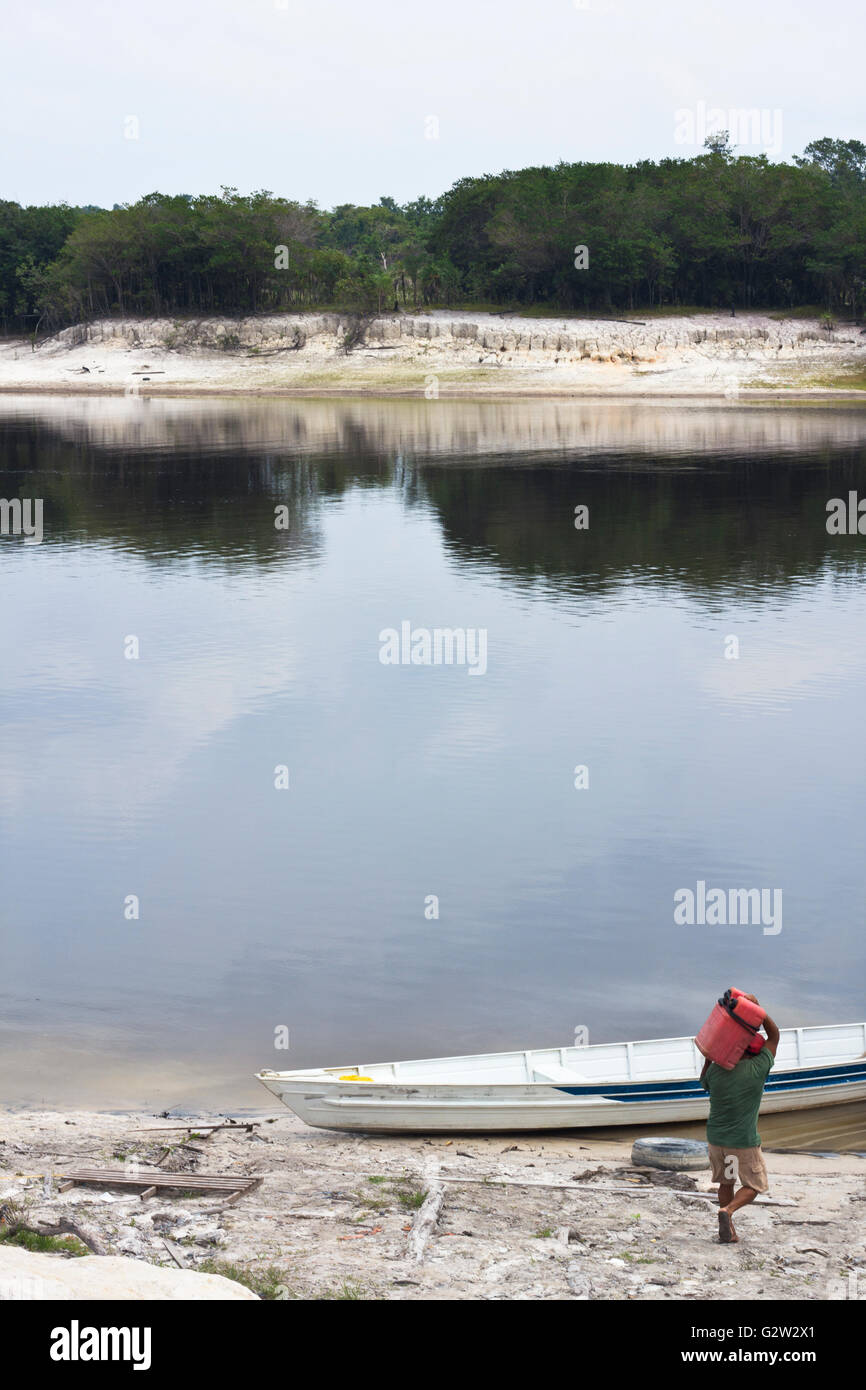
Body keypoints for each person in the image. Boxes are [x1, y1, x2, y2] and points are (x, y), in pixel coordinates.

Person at [700, 993, 780, 1243]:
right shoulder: (758, 1069)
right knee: (755, 1185)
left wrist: (712, 1051)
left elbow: (706, 1070)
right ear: (753, 1051)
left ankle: (729, 1229)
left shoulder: (715, 1071)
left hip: (717, 1142)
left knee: (727, 1181)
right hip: (742, 1143)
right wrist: (760, 1013)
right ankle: (728, 1210)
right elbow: (775, 1037)